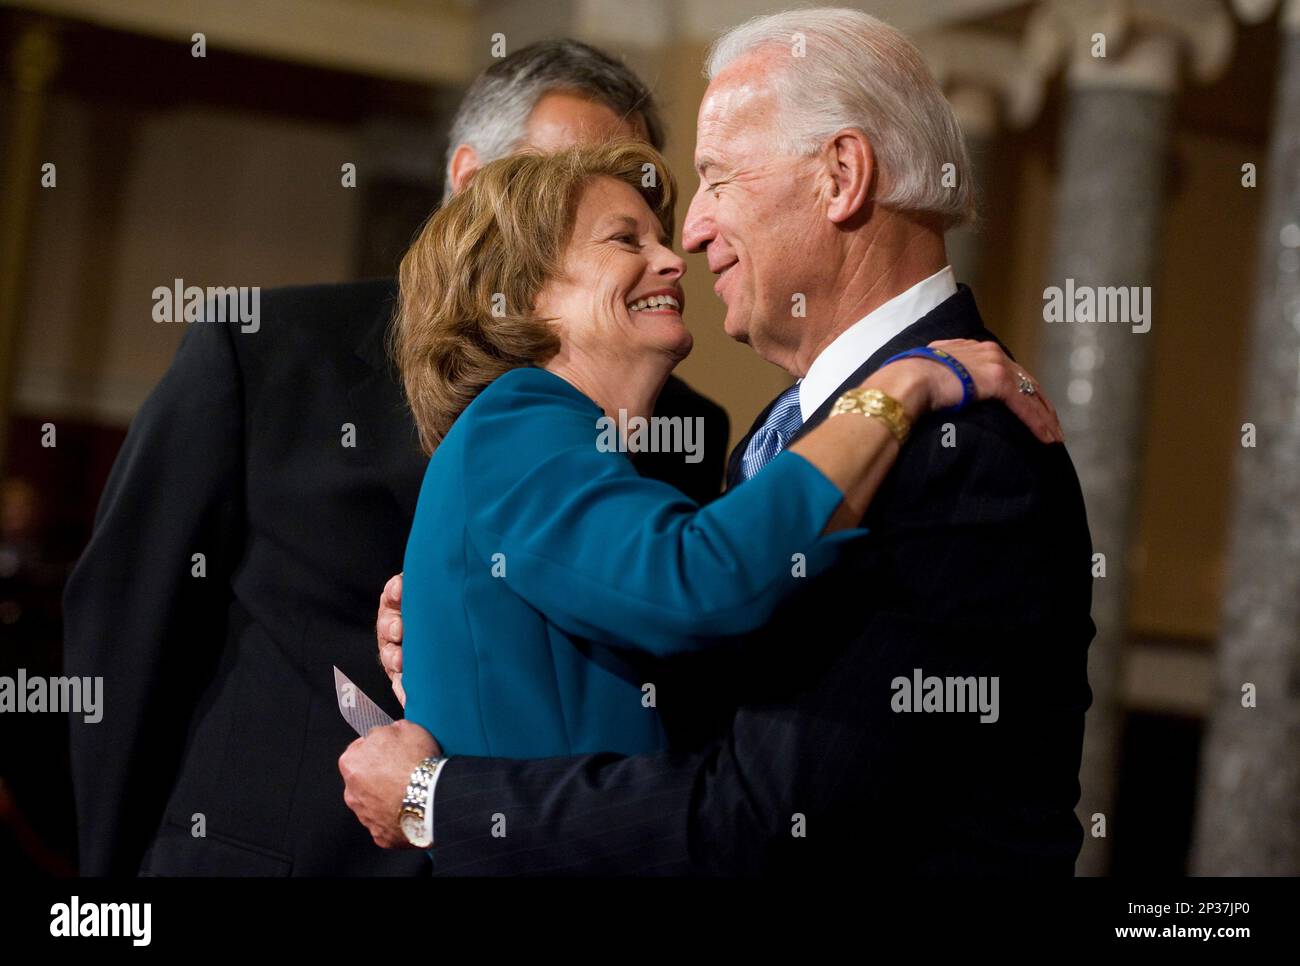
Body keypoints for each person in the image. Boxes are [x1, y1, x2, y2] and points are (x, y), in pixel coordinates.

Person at [345, 7, 1095, 876]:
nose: (689, 239)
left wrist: (437, 796)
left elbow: (765, 817)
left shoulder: (961, 447)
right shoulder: (785, 442)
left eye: (716, 179)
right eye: (632, 237)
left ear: (840, 176)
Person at [62, 39, 727, 877]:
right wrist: (111, 889)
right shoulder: (265, 351)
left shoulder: (683, 426)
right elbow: (128, 630)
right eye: (554, 179)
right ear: (470, 183)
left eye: (623, 190)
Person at [382, 139, 1056, 788]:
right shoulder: (515, 418)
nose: (674, 261)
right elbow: (697, 582)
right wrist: (901, 387)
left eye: (660, 238)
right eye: (627, 241)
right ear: (522, 289)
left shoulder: (564, 446)